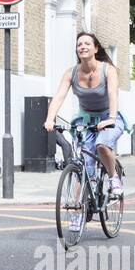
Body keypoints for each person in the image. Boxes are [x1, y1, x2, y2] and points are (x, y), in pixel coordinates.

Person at [44, 31, 124, 197]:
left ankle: (113, 177)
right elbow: (58, 97)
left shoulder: (108, 70)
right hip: (86, 121)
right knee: (84, 169)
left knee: (101, 145)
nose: (83, 47)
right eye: (79, 44)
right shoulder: (71, 73)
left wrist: (111, 118)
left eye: (87, 43)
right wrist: (50, 120)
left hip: (109, 117)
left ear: (95, 48)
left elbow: (113, 94)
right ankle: (77, 214)